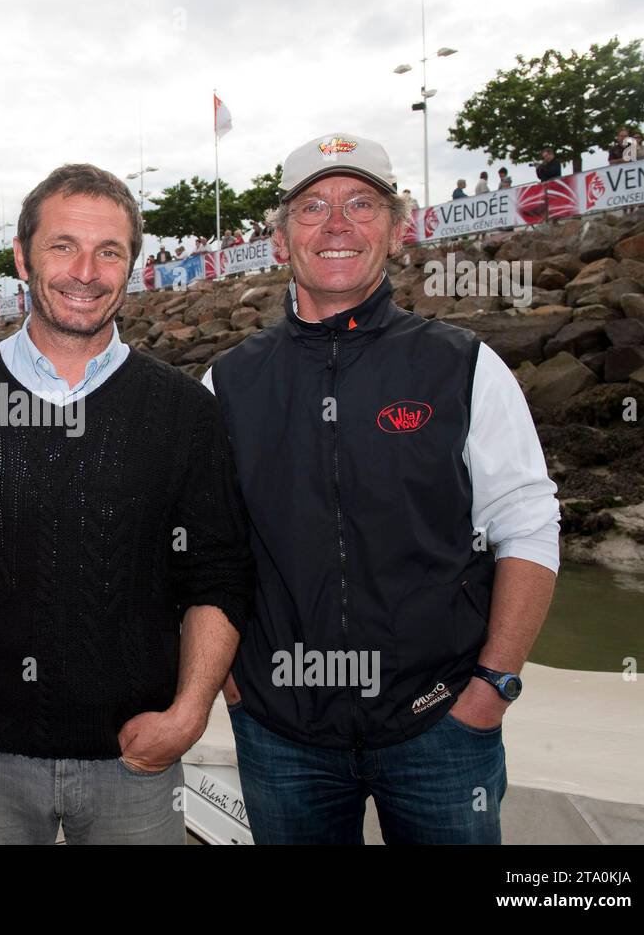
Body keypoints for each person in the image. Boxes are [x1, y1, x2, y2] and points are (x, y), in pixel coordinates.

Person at [204, 132, 559, 844]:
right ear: (280, 241)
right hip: (279, 732)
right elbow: (204, 549)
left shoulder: (465, 365)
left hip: (442, 725)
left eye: (361, 204)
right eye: (312, 207)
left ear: (397, 231)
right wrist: (229, 683)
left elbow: (526, 524)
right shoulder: (227, 383)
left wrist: (492, 688)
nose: (337, 223)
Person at [0, 164, 252, 845]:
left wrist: (188, 714)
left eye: (109, 252)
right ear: (22, 256)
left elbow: (217, 571)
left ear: (133, 265)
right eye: (63, 246)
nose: (86, 272)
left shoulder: (185, 410)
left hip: (136, 763)